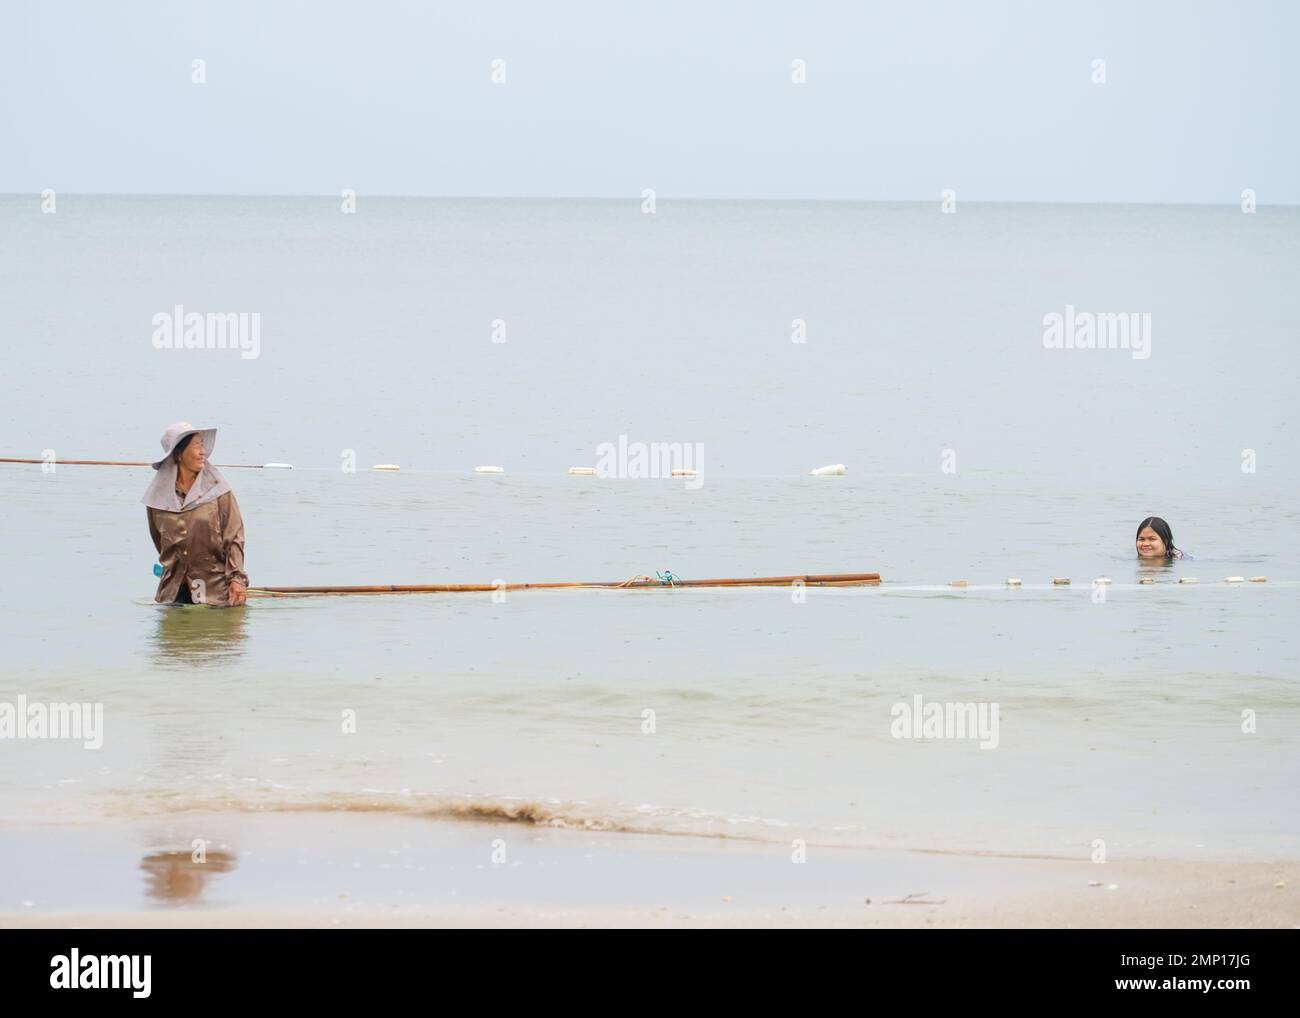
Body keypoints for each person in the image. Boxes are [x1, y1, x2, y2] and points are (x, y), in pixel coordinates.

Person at [143, 422, 248, 606]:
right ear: (178, 454)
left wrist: (237, 579)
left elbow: (234, 538)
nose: (202, 452)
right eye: (196, 446)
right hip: (172, 591)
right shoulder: (157, 498)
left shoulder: (218, 491)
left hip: (215, 591)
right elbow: (159, 541)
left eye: (202, 445)